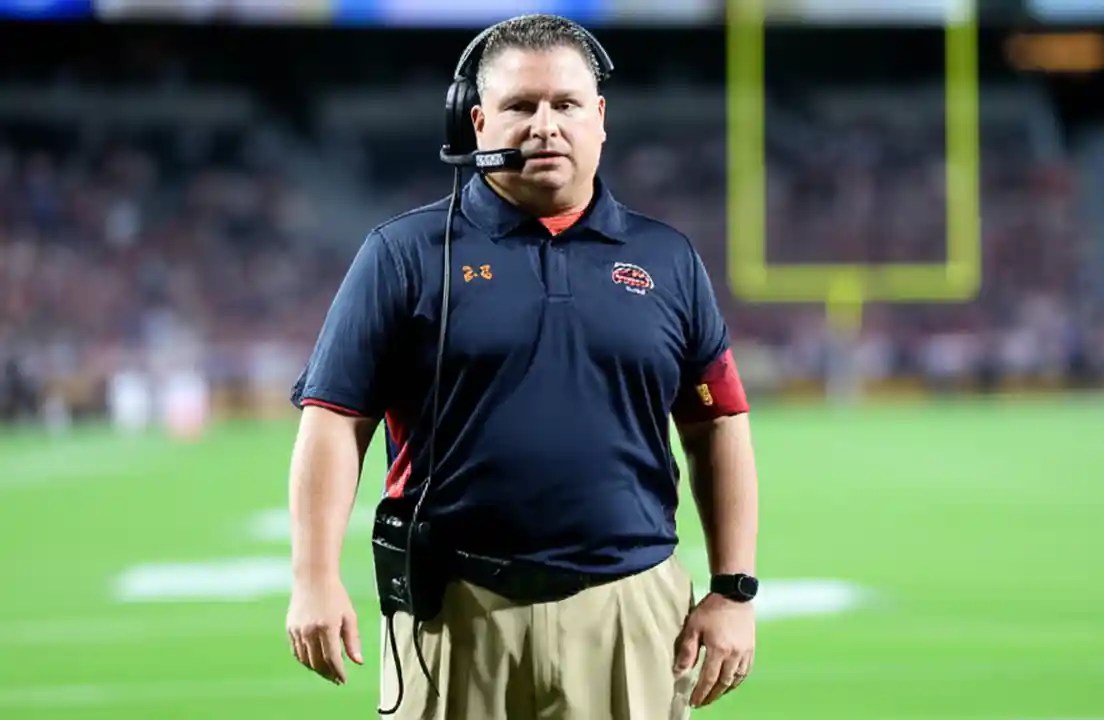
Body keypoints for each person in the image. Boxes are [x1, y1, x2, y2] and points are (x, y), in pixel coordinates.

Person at [285, 13, 760, 719]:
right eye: (520, 106)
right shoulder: (403, 254)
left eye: (566, 104)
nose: (545, 126)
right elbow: (333, 420)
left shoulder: (669, 259)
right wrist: (314, 576)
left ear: (599, 118)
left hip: (630, 608)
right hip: (454, 610)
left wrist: (734, 589)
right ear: (477, 123)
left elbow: (718, 424)